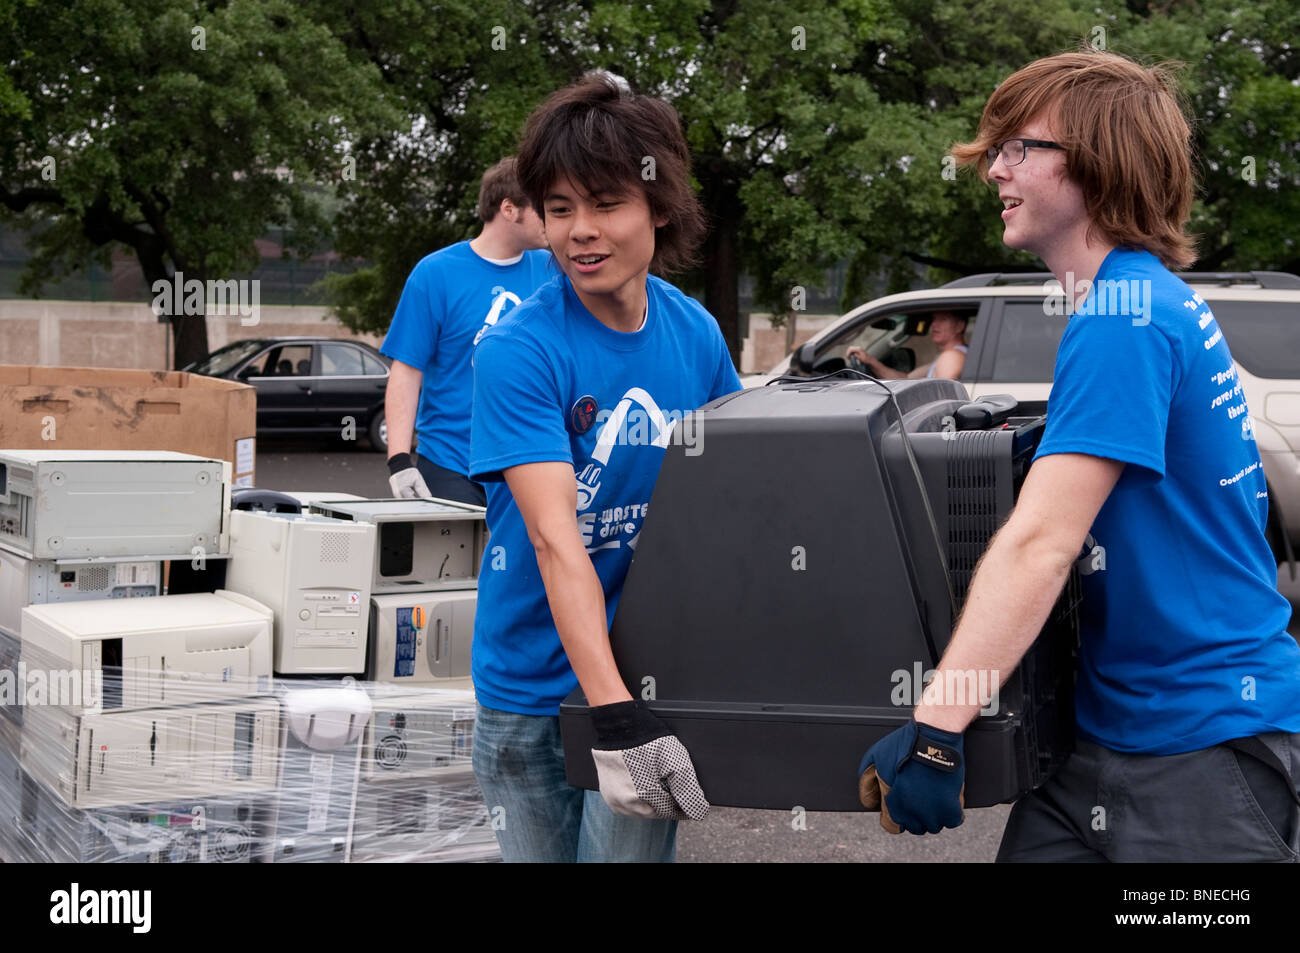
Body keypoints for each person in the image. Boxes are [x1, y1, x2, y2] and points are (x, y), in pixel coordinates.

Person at [857, 50, 1300, 861]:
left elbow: (1042, 542)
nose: (996, 168)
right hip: (1110, 734)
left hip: (1196, 751)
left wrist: (936, 728)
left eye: (1020, 147)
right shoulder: (1142, 297)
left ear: (1096, 163)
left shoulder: (1122, 318)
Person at [467, 72, 742, 863]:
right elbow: (557, 542)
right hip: (533, 691)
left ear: (659, 206)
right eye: (559, 209)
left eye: (606, 203)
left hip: (649, 676)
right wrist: (613, 714)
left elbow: (727, 505)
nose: (581, 231)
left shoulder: (695, 335)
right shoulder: (520, 349)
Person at [381, 157, 552, 505]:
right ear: (509, 209)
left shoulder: (554, 271)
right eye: (544, 207)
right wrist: (399, 460)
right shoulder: (435, 274)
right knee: (455, 562)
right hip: (452, 464)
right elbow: (407, 369)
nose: (554, 218)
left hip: (530, 460)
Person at [845, 310, 969, 380]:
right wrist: (870, 361)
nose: (934, 325)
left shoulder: (952, 356)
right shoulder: (947, 356)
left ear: (960, 326)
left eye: (943, 319)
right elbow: (905, 379)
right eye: (934, 319)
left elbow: (943, 397)